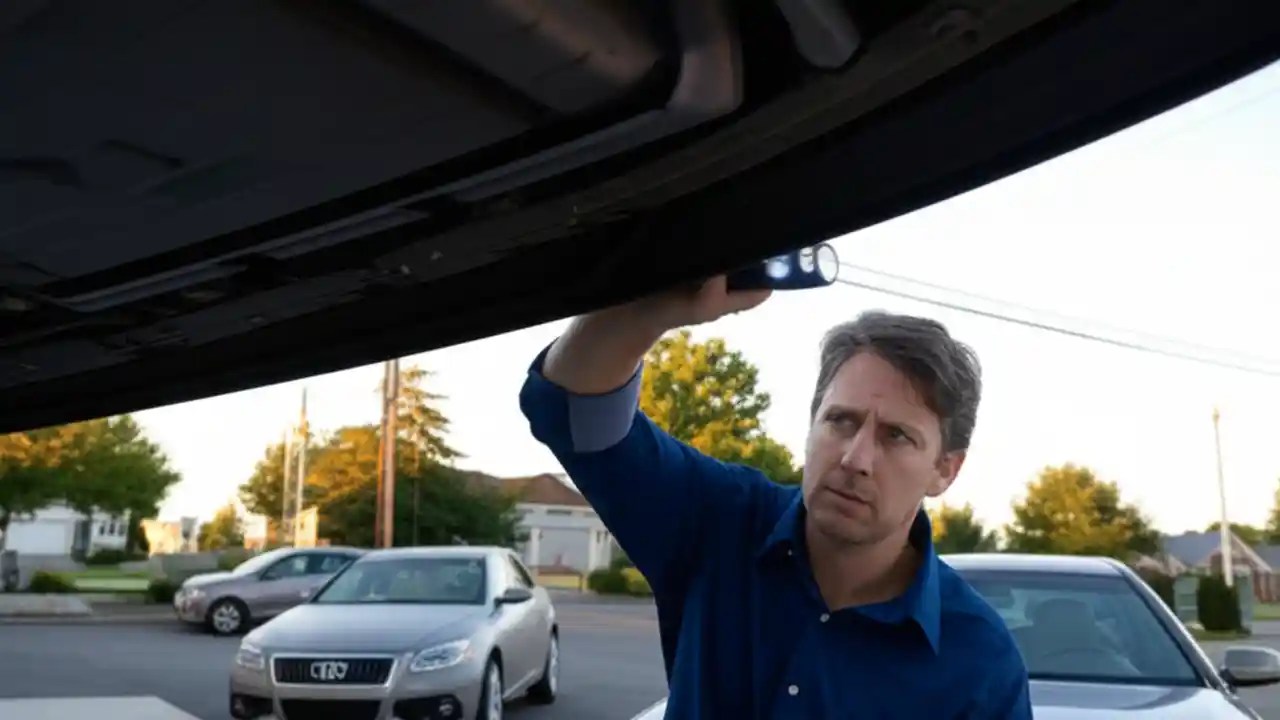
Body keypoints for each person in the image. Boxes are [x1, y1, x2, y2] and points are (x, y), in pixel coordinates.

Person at [519, 276, 1031, 718]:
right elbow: (570, 407)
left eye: (896, 436)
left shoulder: (979, 663)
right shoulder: (722, 520)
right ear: (811, 425)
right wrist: (649, 309)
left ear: (945, 470)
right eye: (841, 420)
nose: (855, 457)